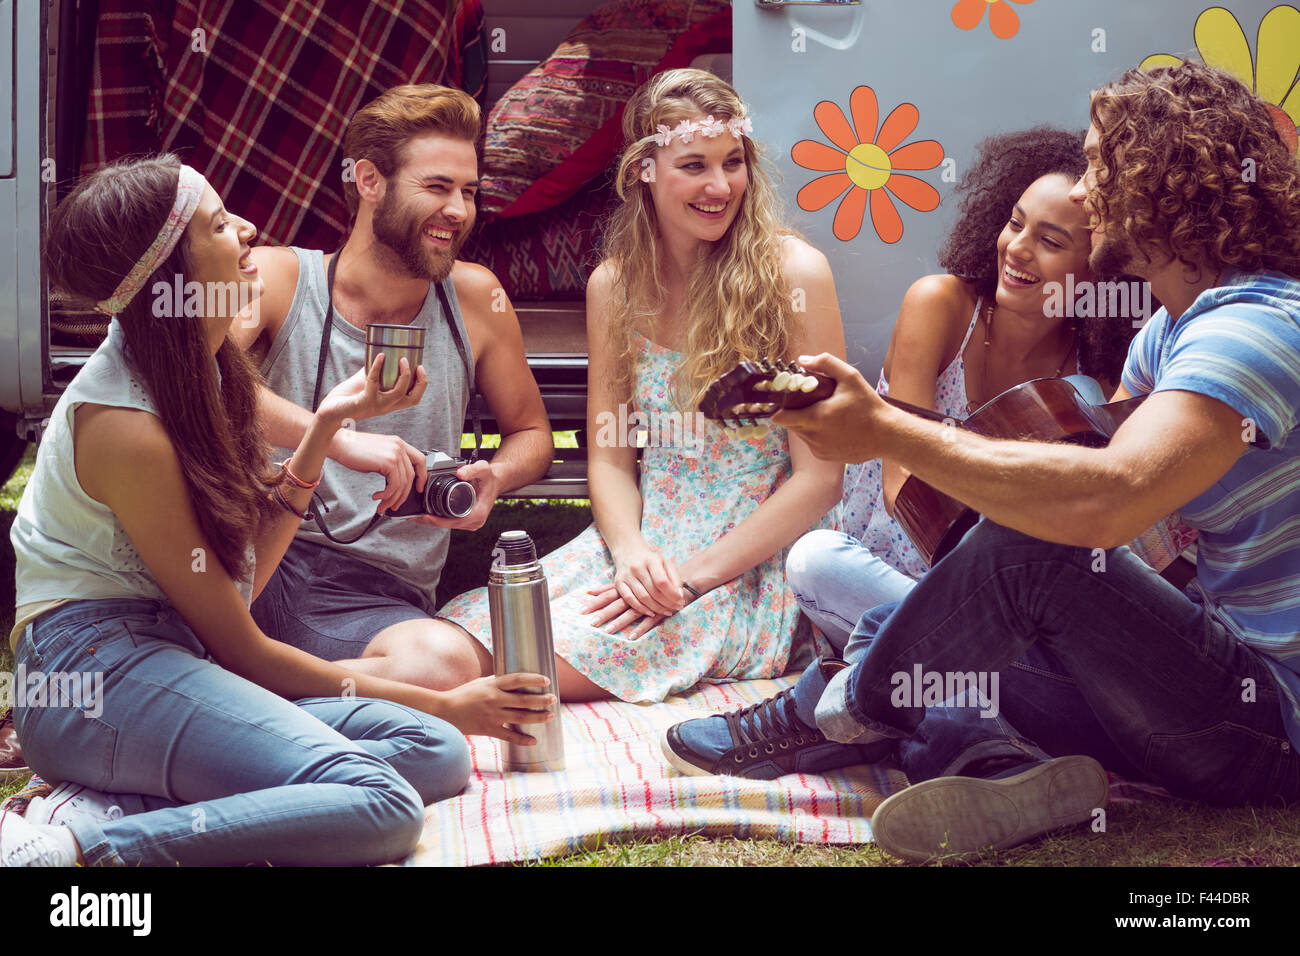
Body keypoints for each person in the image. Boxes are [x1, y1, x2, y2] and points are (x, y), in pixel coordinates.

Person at [665, 61, 1300, 861]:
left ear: (1154, 181)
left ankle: (835, 709)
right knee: (971, 597)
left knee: (1033, 551)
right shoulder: (1168, 334)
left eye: (1103, 164)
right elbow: (1097, 524)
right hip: (1186, 687)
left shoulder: (1257, 327)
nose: (1089, 187)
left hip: (1266, 729)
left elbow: (1109, 502)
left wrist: (890, 433)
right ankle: (977, 751)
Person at [1, 156, 553, 867]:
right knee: (382, 804)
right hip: (94, 678)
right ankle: (75, 848)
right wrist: (446, 701)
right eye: (218, 223)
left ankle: (106, 799)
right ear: (173, 269)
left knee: (434, 753)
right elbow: (244, 646)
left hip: (170, 656)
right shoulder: (123, 425)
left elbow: (240, 585)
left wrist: (323, 435)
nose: (246, 229)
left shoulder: (193, 360)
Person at [437, 68, 848, 702]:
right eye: (693, 165)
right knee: (468, 633)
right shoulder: (617, 285)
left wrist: (689, 581)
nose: (719, 186)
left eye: (733, 162)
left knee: (519, 662)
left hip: (744, 563)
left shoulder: (793, 274)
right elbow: (610, 454)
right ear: (643, 173)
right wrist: (629, 552)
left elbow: (820, 479)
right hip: (641, 542)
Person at [233, 85, 553, 692]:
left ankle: (225, 685)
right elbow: (196, 381)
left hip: (381, 595)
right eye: (436, 187)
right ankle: (249, 685)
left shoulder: (477, 296)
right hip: (264, 557)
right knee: (442, 674)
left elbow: (533, 434)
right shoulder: (278, 278)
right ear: (370, 180)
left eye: (469, 192)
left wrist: (495, 476)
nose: (458, 210)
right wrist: (336, 440)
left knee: (446, 662)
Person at [789, 127, 1136, 649]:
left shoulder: (1096, 371)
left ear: (1098, 268)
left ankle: (917, 671)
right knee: (814, 560)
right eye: (1015, 224)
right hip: (899, 573)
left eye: (1050, 241)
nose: (1017, 249)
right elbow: (900, 487)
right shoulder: (942, 305)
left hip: (1010, 594)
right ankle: (967, 670)